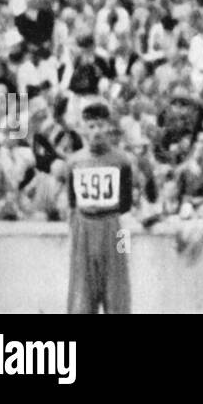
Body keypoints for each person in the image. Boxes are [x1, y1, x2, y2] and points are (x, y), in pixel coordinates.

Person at [66, 101, 135, 314]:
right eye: (92, 126)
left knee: (117, 290)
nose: (97, 132)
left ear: (109, 127)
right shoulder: (75, 162)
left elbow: (126, 206)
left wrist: (124, 246)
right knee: (81, 292)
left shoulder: (121, 160)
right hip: (84, 226)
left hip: (114, 225)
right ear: (84, 129)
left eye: (101, 126)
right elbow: (72, 202)